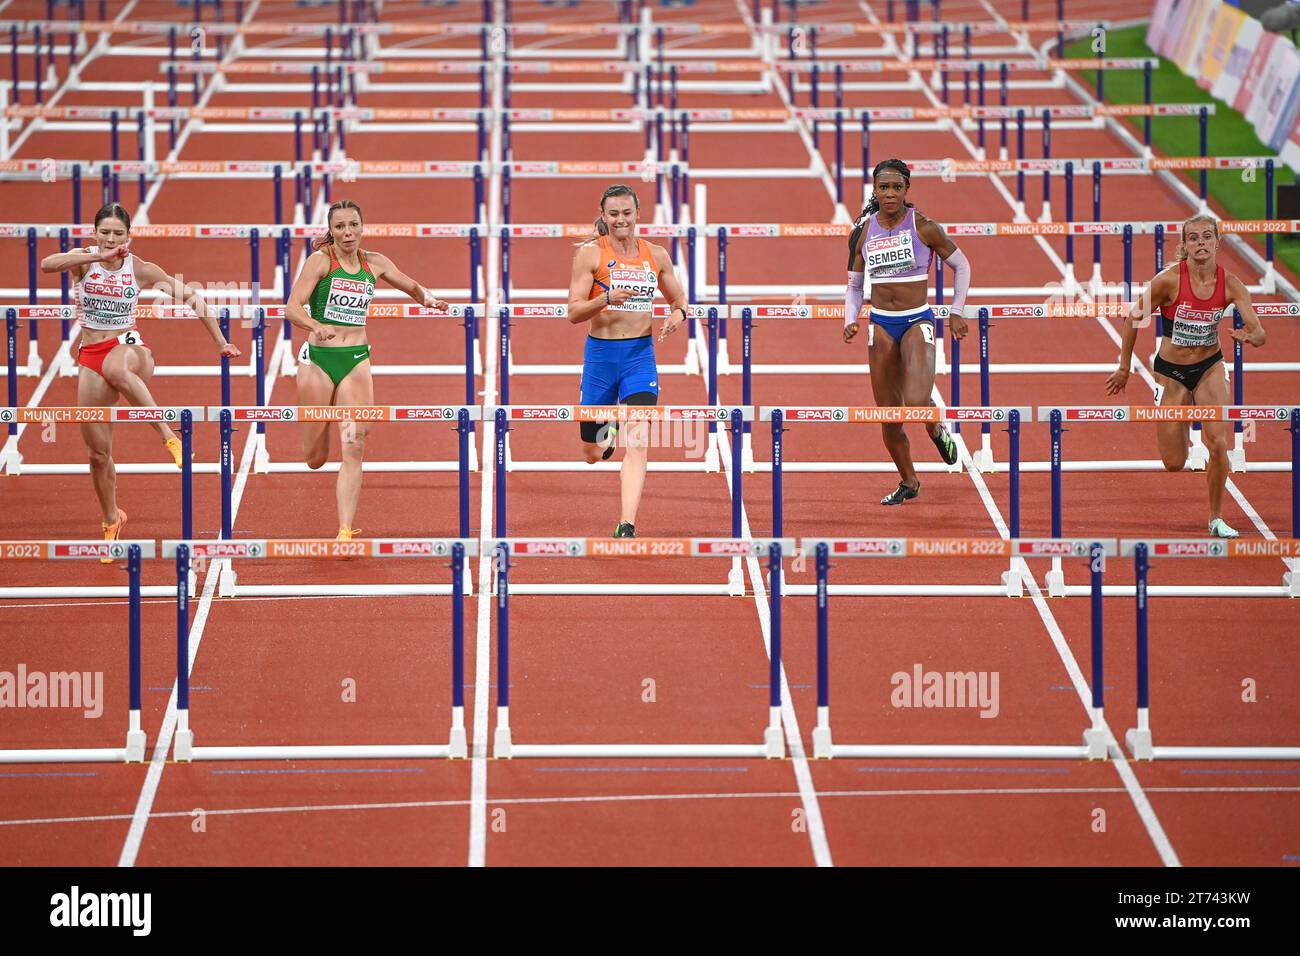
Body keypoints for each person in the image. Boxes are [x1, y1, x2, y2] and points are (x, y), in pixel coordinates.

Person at [40, 202, 239, 557]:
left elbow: (192, 297)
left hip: (130, 348)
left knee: (118, 368)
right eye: (105, 232)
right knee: (98, 455)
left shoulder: (141, 269)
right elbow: (47, 265)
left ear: (129, 237)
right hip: (89, 356)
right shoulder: (82, 261)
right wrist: (91, 256)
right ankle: (111, 519)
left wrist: (221, 341)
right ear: (95, 233)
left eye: (118, 233)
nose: (111, 239)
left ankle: (171, 438)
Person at [285, 199, 450, 540]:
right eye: (340, 226)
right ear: (330, 232)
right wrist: (315, 326)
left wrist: (429, 299)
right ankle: (326, 417)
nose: (348, 232)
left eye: (353, 225)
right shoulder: (320, 261)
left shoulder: (374, 263)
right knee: (314, 457)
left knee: (355, 444)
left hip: (355, 362)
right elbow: (292, 307)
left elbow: (412, 286)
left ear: (363, 227)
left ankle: (345, 529)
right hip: (318, 362)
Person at [1106, 214, 1266, 538]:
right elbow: (1132, 318)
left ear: (1218, 242)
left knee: (1219, 443)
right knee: (1174, 461)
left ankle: (1216, 517)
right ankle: (1167, 408)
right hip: (1172, 372)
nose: (1201, 243)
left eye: (1207, 237)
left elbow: (1260, 332)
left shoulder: (1231, 283)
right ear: (1185, 246)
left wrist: (1251, 335)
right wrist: (1124, 367)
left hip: (1209, 367)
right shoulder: (1169, 281)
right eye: (1193, 238)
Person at [843, 159, 971, 505]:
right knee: (888, 413)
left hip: (917, 320)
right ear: (875, 189)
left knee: (915, 403)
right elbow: (854, 287)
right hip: (881, 323)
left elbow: (961, 265)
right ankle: (909, 481)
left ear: (906, 191)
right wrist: (850, 318)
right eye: (883, 187)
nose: (889, 194)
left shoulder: (924, 226)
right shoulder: (862, 231)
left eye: (896, 188)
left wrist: (956, 311)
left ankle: (935, 427)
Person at [567, 184, 689, 538]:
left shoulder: (656, 255)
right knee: (592, 452)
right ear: (604, 216)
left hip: (640, 358)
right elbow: (573, 312)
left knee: (638, 441)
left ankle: (627, 524)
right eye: (614, 214)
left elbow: (679, 299)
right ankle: (609, 430)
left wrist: (677, 315)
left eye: (627, 213)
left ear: (638, 214)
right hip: (601, 359)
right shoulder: (591, 255)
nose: (621, 220)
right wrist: (605, 298)